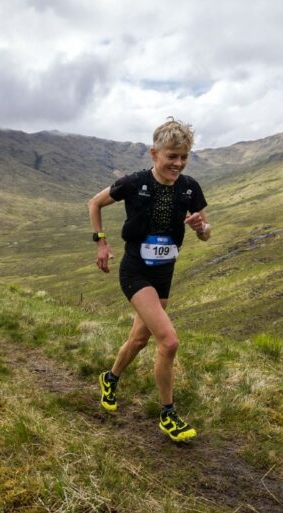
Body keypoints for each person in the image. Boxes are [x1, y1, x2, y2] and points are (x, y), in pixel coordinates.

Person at [87, 117, 210, 442]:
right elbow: (95, 203)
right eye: (172, 156)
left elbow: (205, 234)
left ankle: (110, 378)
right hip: (135, 271)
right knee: (168, 341)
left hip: (164, 274)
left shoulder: (189, 187)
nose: (178, 163)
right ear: (155, 153)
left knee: (140, 340)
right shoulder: (134, 182)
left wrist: (201, 229)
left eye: (184, 157)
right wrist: (101, 241)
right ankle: (168, 414)